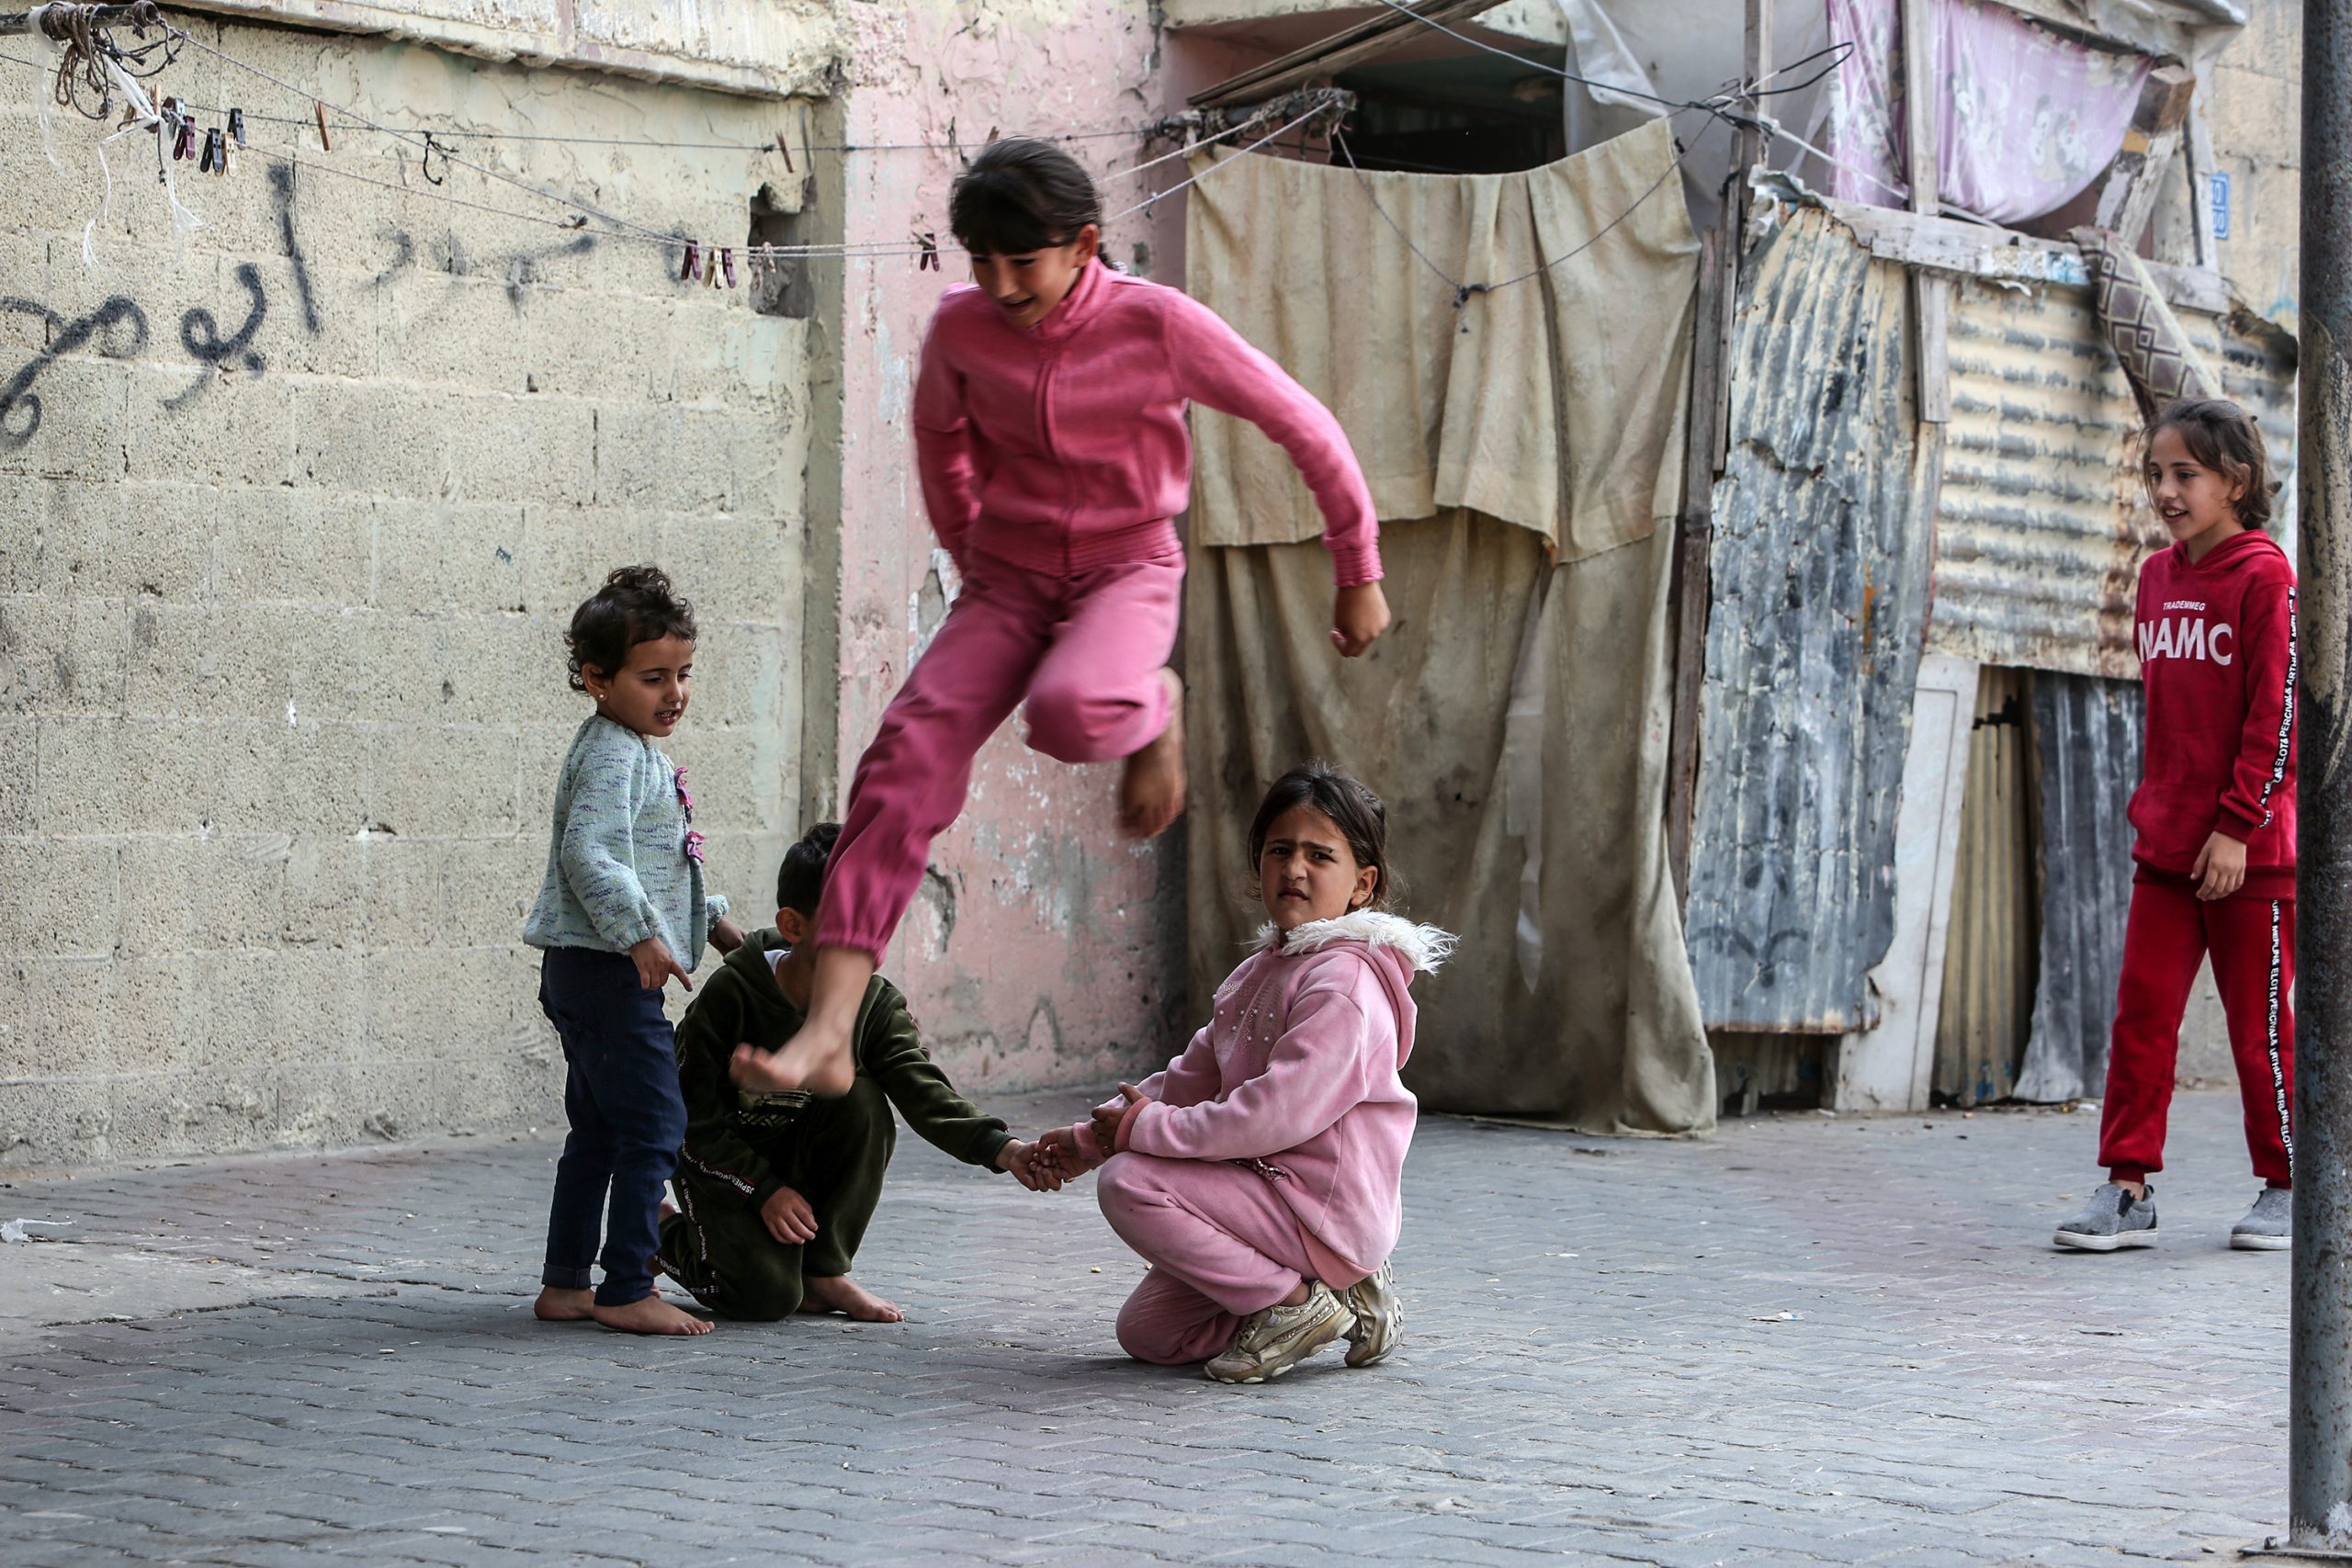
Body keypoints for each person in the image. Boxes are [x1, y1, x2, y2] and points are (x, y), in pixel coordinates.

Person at [732, 136, 1391, 1100]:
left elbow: (1300, 423)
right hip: (1006, 581)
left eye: (1023, 261)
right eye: (981, 263)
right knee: (902, 759)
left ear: (1083, 244)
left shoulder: (1155, 325)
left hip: (1126, 570)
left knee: (1071, 710)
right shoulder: (962, 330)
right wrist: (975, 562)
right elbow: (938, 444)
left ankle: (1150, 707)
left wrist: (1356, 569)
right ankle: (829, 1031)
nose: (1000, 285)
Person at [1034, 762, 1450, 1382]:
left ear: (1362, 884)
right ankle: (1341, 1291)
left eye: (1319, 855)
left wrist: (1134, 1138)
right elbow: (1190, 1077)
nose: (1295, 868)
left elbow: (1268, 1116)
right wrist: (1091, 1137)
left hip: (1318, 1212)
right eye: (1280, 849)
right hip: (1268, 1196)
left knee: (1131, 1182)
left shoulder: (1343, 986)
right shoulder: (1266, 966)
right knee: (1151, 1333)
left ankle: (1295, 1304)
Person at [2054, 398, 2298, 1254]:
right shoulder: (2156, 578)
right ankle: (2126, 1188)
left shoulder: (2266, 576)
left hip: (2250, 852)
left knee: (2258, 1028)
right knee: (2142, 1017)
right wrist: (2168, 813)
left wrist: (2236, 825)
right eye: (2155, 472)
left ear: (2235, 480)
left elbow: (2277, 713)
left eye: (2184, 474)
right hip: (2166, 845)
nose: (2165, 490)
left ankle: (2287, 1183)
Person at [658, 823, 1060, 1323]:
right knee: (762, 1297)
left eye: (879, 920)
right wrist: (762, 1190)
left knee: (864, 1100)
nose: (869, 939)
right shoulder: (730, 997)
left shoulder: (872, 1001)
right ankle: (660, 1232)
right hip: (721, 1167)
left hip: (795, 1157)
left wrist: (1005, 1149)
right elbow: (690, 1128)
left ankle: (824, 1271)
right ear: (794, 925)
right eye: (851, 921)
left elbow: (922, 1090)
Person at [524, 566, 743, 1335]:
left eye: (683, 674)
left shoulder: (636, 749)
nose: (674, 692)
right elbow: (592, 856)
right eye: (653, 677)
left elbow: (655, 862)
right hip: (608, 968)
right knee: (657, 1124)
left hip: (592, 967)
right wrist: (641, 936)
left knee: (599, 1132)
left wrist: (708, 919)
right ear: (596, 678)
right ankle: (625, 1286)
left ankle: (565, 1282)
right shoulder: (615, 753)